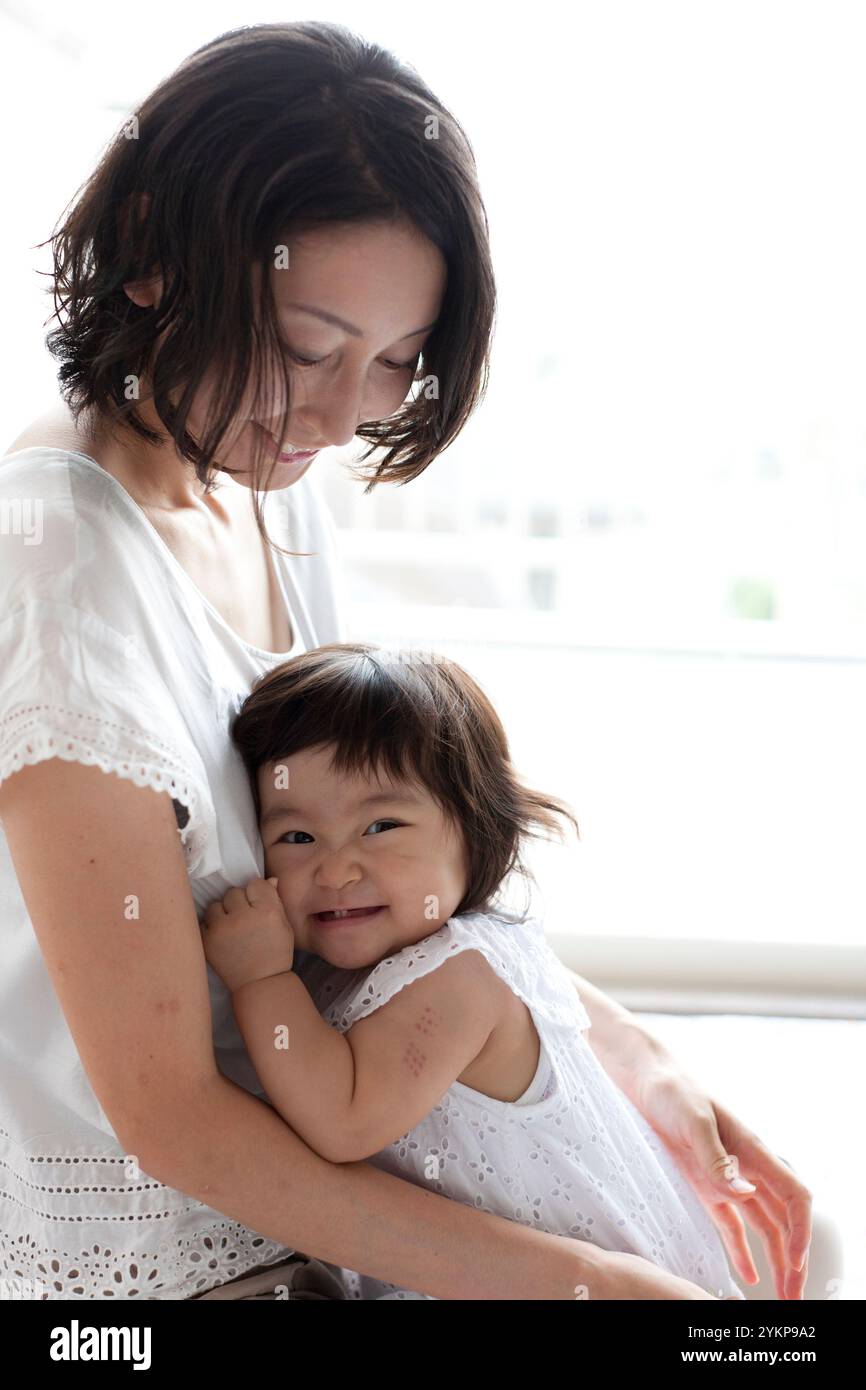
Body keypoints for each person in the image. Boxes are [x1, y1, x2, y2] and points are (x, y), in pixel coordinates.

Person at [0, 20, 813, 1301]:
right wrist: (583, 1285)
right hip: (175, 1268)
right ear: (155, 255)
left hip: (332, 1207)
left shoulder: (258, 486)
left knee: (790, 1266)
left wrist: (630, 1058)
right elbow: (169, 1117)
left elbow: (370, 864)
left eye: (390, 361)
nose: (339, 417)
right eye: (310, 346)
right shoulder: (58, 574)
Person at [199, 642, 746, 1300]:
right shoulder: (376, 954)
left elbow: (342, 1120)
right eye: (296, 838)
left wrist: (260, 982)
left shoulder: (460, 976)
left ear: (476, 831)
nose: (337, 869)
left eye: (381, 826)